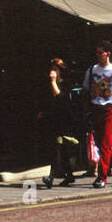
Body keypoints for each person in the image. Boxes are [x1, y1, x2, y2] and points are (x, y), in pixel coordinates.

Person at [82, 42, 112, 189]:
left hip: (111, 110)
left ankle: (101, 177)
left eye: (100, 52)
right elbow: (86, 89)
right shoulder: (92, 70)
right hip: (96, 109)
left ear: (108, 54)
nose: (98, 55)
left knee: (106, 144)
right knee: (101, 143)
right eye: (96, 53)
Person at [39, 58, 76, 189]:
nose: (52, 72)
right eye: (51, 69)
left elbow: (60, 98)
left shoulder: (65, 84)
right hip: (53, 119)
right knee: (61, 149)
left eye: (55, 69)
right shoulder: (49, 83)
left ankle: (51, 177)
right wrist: (43, 111)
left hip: (64, 120)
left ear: (60, 71)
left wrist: (53, 82)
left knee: (57, 149)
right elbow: (48, 100)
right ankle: (70, 175)